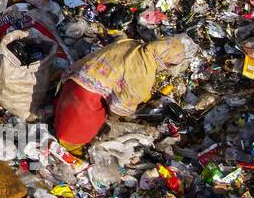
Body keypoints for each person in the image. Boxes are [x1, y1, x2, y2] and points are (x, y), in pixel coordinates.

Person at [53, 36, 190, 148]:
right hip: (86, 102)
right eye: (169, 64)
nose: (167, 68)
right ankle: (68, 145)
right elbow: (120, 106)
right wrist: (115, 118)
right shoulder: (145, 72)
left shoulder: (131, 43)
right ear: (164, 60)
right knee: (72, 136)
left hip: (74, 83)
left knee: (62, 112)